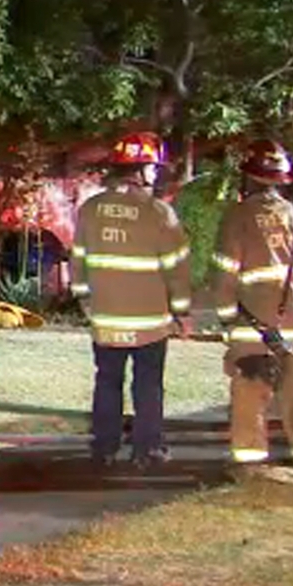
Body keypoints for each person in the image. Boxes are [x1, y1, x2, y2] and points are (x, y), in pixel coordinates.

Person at [69, 132, 192, 469]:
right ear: (144, 170)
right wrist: (182, 312)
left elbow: (77, 261)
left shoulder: (90, 210)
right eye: (153, 168)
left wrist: (85, 302)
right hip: (149, 322)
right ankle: (148, 449)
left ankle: (104, 447)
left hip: (106, 319)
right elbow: (177, 270)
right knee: (148, 385)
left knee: (107, 382)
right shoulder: (158, 213)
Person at [214, 139, 293, 465]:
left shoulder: (237, 217)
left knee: (250, 401)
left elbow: (224, 277)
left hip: (251, 328)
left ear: (248, 178)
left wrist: (227, 322)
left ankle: (250, 467)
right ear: (283, 181)